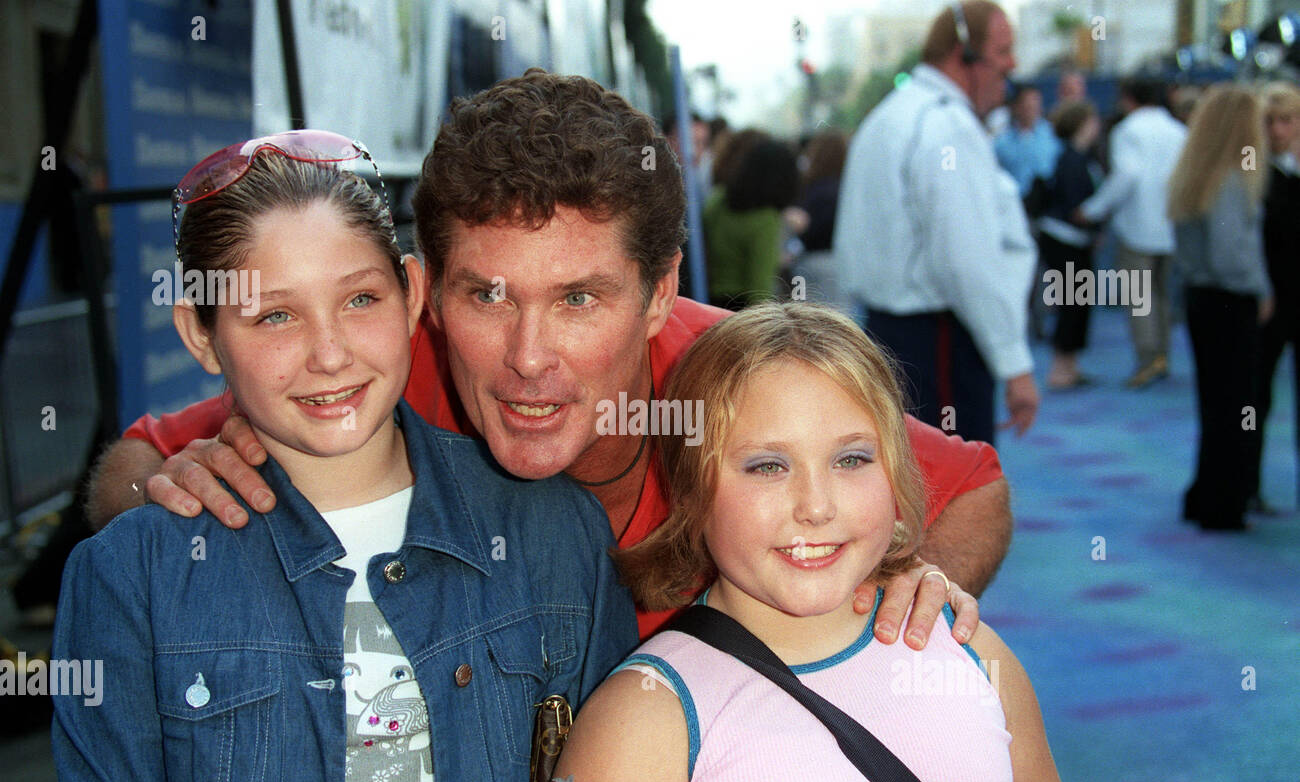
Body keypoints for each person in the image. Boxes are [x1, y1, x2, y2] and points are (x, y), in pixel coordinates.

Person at [85, 69, 1011, 650]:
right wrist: (176, 484)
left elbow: (976, 487)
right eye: (487, 294)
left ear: (658, 293)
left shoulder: (733, 379)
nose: (528, 359)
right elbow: (127, 462)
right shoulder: (378, 368)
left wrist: (906, 582)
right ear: (429, 294)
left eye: (579, 298)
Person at [51, 135, 638, 782]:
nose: (329, 353)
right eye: (275, 315)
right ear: (200, 335)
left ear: (413, 294)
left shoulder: (558, 534)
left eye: (360, 298)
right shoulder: (126, 582)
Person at [554, 302, 1086, 782]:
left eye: (851, 459)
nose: (816, 506)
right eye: (767, 466)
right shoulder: (642, 723)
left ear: (897, 473)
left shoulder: (974, 655)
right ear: (692, 491)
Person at [835, 0, 1040, 446]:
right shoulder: (946, 126)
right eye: (1003, 50)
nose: (1012, 64)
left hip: (891, 334)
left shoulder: (889, 115)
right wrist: (1015, 366)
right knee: (956, 493)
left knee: (911, 486)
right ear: (963, 54)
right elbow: (967, 262)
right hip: (941, 340)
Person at [1169, 85, 1272, 531]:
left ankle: (1206, 494)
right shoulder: (1232, 180)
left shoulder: (1196, 174)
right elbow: (1233, 255)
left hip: (1203, 300)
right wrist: (1262, 289)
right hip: (1231, 302)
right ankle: (1224, 502)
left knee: (1216, 405)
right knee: (1237, 405)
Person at [1075, 77, 1187, 388]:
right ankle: (1162, 356)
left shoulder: (1128, 130)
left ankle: (1147, 360)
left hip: (1138, 226)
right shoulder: (1178, 130)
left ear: (1128, 98)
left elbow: (1127, 175)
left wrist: (1094, 209)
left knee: (1141, 298)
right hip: (1172, 225)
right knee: (1162, 295)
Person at [1248, 81, 1300, 513]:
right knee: (1255, 398)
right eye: (1271, 121)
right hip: (1268, 303)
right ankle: (1248, 485)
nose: (1279, 129)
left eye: (1287, 120)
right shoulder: (1254, 174)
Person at [1040, 99, 1104, 389]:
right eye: (1092, 121)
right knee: (1071, 303)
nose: (1097, 126)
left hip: (1075, 240)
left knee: (1077, 303)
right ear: (1080, 125)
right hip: (1064, 239)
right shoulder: (1069, 159)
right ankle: (1059, 369)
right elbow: (1075, 207)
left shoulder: (1081, 156)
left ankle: (1070, 365)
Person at [702, 134, 799, 310]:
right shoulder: (766, 219)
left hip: (708, 299)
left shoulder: (717, 200)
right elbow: (760, 288)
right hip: (743, 310)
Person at [786, 130, 852, 320]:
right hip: (838, 262)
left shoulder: (817, 189)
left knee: (807, 322)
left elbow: (811, 230)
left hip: (814, 263)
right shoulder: (844, 188)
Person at [994, 83, 1062, 205]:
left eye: (1035, 103)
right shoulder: (1001, 142)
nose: (1031, 108)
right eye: (1027, 104)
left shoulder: (1053, 136)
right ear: (1016, 106)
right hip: (1014, 203)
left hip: (1046, 205)